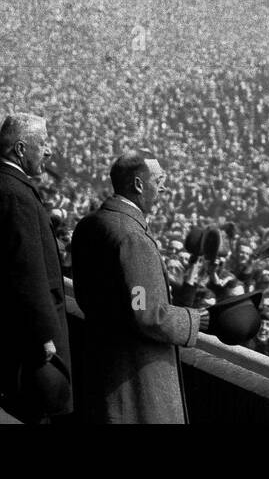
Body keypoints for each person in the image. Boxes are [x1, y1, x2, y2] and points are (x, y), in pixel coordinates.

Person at [69, 152, 208, 423]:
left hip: (103, 365)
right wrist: (193, 320)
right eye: (159, 180)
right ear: (138, 185)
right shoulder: (133, 238)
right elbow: (143, 311)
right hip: (136, 381)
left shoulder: (90, 224)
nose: (164, 188)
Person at [0, 114, 73, 422]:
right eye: (44, 143)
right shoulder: (14, 193)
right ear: (21, 149)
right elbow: (26, 271)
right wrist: (42, 335)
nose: (49, 151)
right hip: (23, 342)